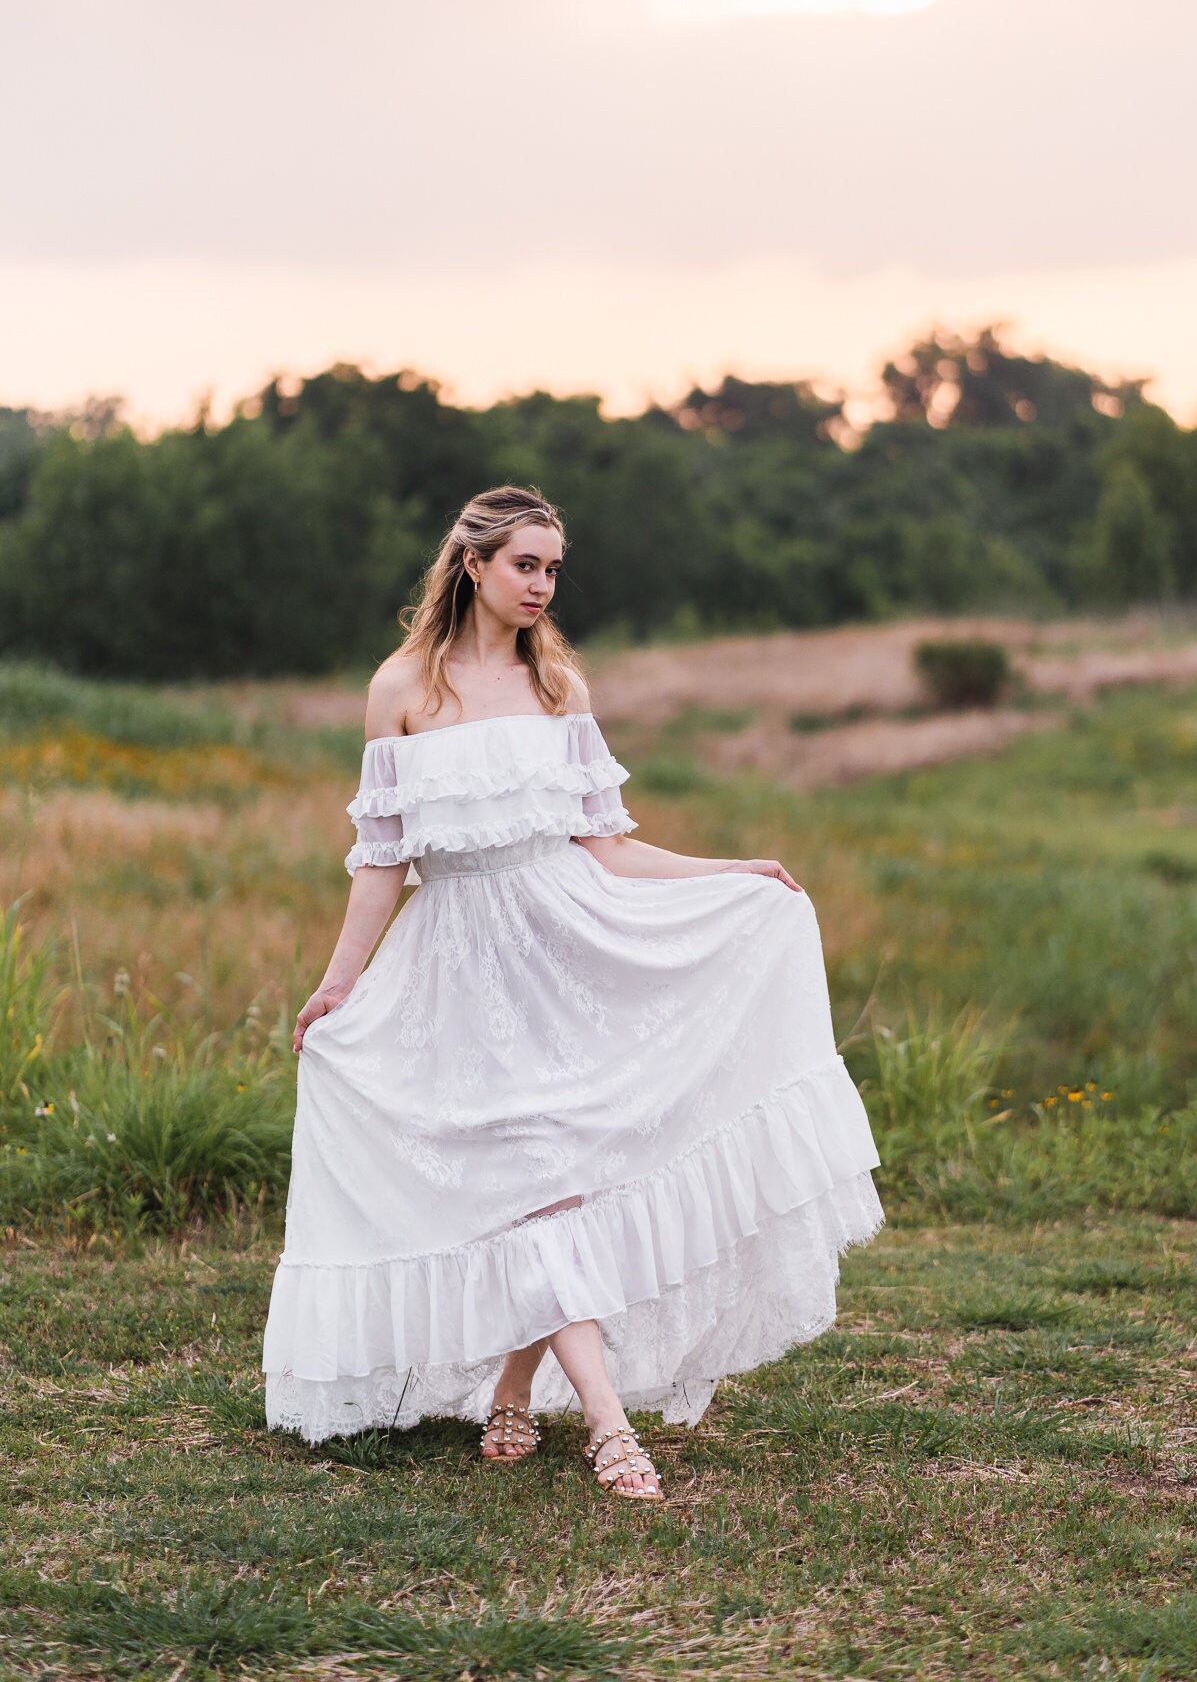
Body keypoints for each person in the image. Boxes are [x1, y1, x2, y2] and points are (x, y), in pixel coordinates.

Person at [262, 484, 884, 1502]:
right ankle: (604, 1422)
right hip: (456, 963)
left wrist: (733, 870)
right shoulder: (403, 689)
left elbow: (610, 845)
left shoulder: (559, 688)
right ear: (473, 564)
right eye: (525, 564)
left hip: (564, 945)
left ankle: (533, 1390)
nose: (543, 585)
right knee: (526, 1175)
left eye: (553, 567)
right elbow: (382, 858)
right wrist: (338, 982)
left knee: (554, 1177)